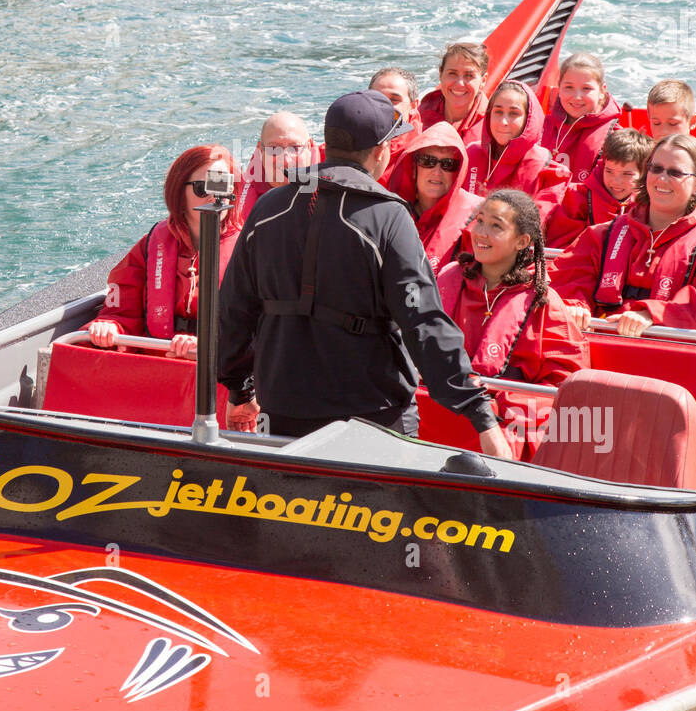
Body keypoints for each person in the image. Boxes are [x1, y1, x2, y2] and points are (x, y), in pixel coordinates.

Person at [217, 90, 512, 456]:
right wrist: (480, 415)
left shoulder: (267, 209)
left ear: (325, 143)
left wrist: (239, 390)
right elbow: (424, 322)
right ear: (381, 150)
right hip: (372, 414)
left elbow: (232, 310)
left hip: (282, 407)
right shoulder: (388, 216)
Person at [437, 190, 588, 459]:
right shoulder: (450, 277)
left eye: (496, 226)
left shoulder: (543, 301)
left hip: (504, 421)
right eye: (480, 221)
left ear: (522, 241)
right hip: (438, 405)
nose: (481, 232)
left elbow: (565, 384)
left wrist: (503, 406)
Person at [88, 144, 241, 360]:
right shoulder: (152, 244)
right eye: (202, 187)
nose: (215, 197)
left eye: (222, 185)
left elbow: (258, 324)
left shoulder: (250, 247)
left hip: (219, 372)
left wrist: (208, 345)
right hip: (155, 365)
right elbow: (121, 308)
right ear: (180, 192)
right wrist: (111, 326)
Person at [550, 134, 696, 335]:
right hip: (598, 350)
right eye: (656, 168)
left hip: (671, 356)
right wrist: (575, 305)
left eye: (675, 173)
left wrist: (652, 315)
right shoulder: (600, 236)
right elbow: (564, 279)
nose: (662, 178)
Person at [465, 79, 570, 222]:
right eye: (498, 112)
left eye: (514, 113)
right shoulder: (468, 156)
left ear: (528, 119)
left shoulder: (549, 175)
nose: (503, 122)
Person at [383, 121, 481, 272]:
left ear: (458, 172)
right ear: (414, 168)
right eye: (428, 161)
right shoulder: (390, 214)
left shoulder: (478, 216)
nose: (437, 171)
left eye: (448, 164)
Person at [544, 126, 652, 248]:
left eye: (627, 174)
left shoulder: (648, 204)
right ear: (603, 166)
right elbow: (559, 248)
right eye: (609, 171)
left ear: (644, 173)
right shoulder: (576, 198)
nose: (616, 181)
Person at [540, 51, 621, 183]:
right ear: (559, 88)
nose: (577, 97)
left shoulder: (614, 137)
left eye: (586, 88)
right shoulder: (541, 128)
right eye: (568, 87)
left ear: (602, 91)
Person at [235, 111, 317, 223]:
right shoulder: (241, 195)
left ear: (309, 147)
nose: (285, 161)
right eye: (273, 149)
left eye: (295, 148)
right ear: (260, 150)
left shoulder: (334, 180)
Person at [418, 41, 489, 146]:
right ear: (440, 74)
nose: (460, 83)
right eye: (452, 73)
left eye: (469, 75)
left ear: (483, 80)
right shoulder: (419, 116)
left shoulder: (492, 126)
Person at [368, 66, 419, 175]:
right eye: (377, 98)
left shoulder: (425, 150)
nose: (383, 105)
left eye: (394, 100)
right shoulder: (347, 143)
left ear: (413, 106)